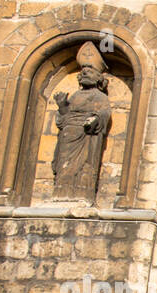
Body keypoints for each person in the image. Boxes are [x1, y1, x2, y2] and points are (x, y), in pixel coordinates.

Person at [52, 42, 113, 201]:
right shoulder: (75, 96)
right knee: (63, 167)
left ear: (99, 78)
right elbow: (63, 120)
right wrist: (63, 106)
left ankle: (81, 194)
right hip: (68, 138)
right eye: (83, 72)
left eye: (90, 71)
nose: (85, 73)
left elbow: (104, 113)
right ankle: (60, 193)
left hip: (86, 137)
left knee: (83, 167)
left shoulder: (100, 96)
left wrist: (95, 119)